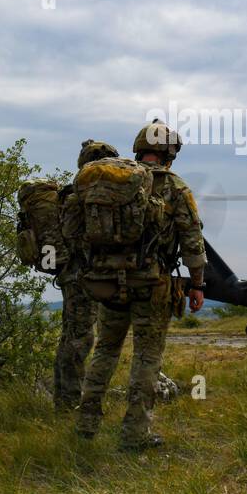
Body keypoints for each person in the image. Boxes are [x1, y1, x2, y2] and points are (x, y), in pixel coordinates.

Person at [75, 120, 205, 450]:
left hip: (106, 282)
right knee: (146, 358)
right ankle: (135, 434)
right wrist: (198, 285)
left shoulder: (113, 182)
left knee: (105, 349)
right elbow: (192, 242)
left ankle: (86, 423)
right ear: (170, 152)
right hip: (152, 284)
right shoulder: (176, 187)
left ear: (138, 148)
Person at [52, 139, 119, 410]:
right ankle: (70, 403)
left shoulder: (71, 195)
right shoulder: (106, 198)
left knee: (74, 337)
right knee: (84, 339)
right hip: (96, 276)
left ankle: (67, 400)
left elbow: (67, 234)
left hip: (75, 276)